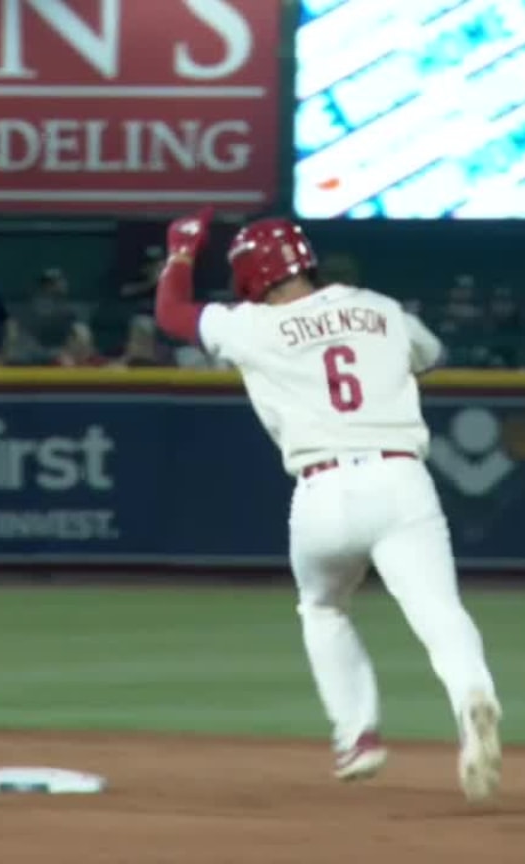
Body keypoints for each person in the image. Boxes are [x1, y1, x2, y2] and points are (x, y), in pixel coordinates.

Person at [152, 208, 503, 803]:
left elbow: (170, 314)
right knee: (439, 611)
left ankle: (357, 735)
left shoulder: (251, 326)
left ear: (250, 278)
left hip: (323, 491)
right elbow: (432, 354)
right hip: (401, 478)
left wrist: (182, 252)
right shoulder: (382, 308)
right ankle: (473, 697)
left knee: (322, 608)